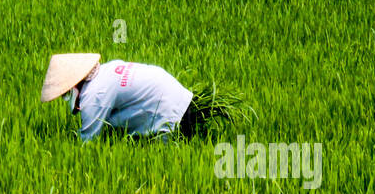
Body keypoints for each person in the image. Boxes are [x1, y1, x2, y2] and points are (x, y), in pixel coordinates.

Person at [41, 53, 237, 141]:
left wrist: (65, 141)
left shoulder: (95, 95)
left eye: (65, 94)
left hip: (167, 112)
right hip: (178, 95)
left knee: (168, 161)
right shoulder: (106, 70)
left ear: (75, 85)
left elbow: (88, 141)